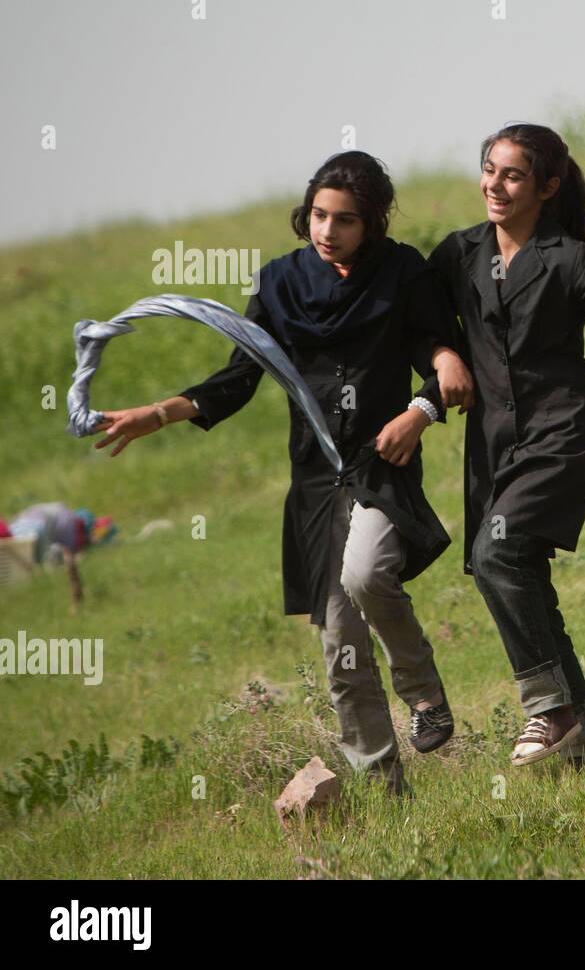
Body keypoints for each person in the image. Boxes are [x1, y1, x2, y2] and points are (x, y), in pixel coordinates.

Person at [92, 151, 462, 795]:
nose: (327, 231)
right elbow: (239, 378)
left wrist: (422, 408)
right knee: (341, 646)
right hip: (316, 477)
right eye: (318, 215)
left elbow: (437, 349)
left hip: (381, 461)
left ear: (372, 222)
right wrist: (160, 413)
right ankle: (385, 789)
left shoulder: (402, 271)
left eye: (344, 220)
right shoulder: (279, 283)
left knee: (368, 573)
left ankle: (423, 693)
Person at [427, 124, 585, 766]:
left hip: (558, 437)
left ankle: (549, 709)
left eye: (513, 175)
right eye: (490, 170)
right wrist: (443, 355)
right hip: (490, 445)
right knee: (520, 575)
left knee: (497, 554)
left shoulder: (568, 259)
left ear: (548, 186)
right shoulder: (459, 253)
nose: (495, 185)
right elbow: (417, 318)